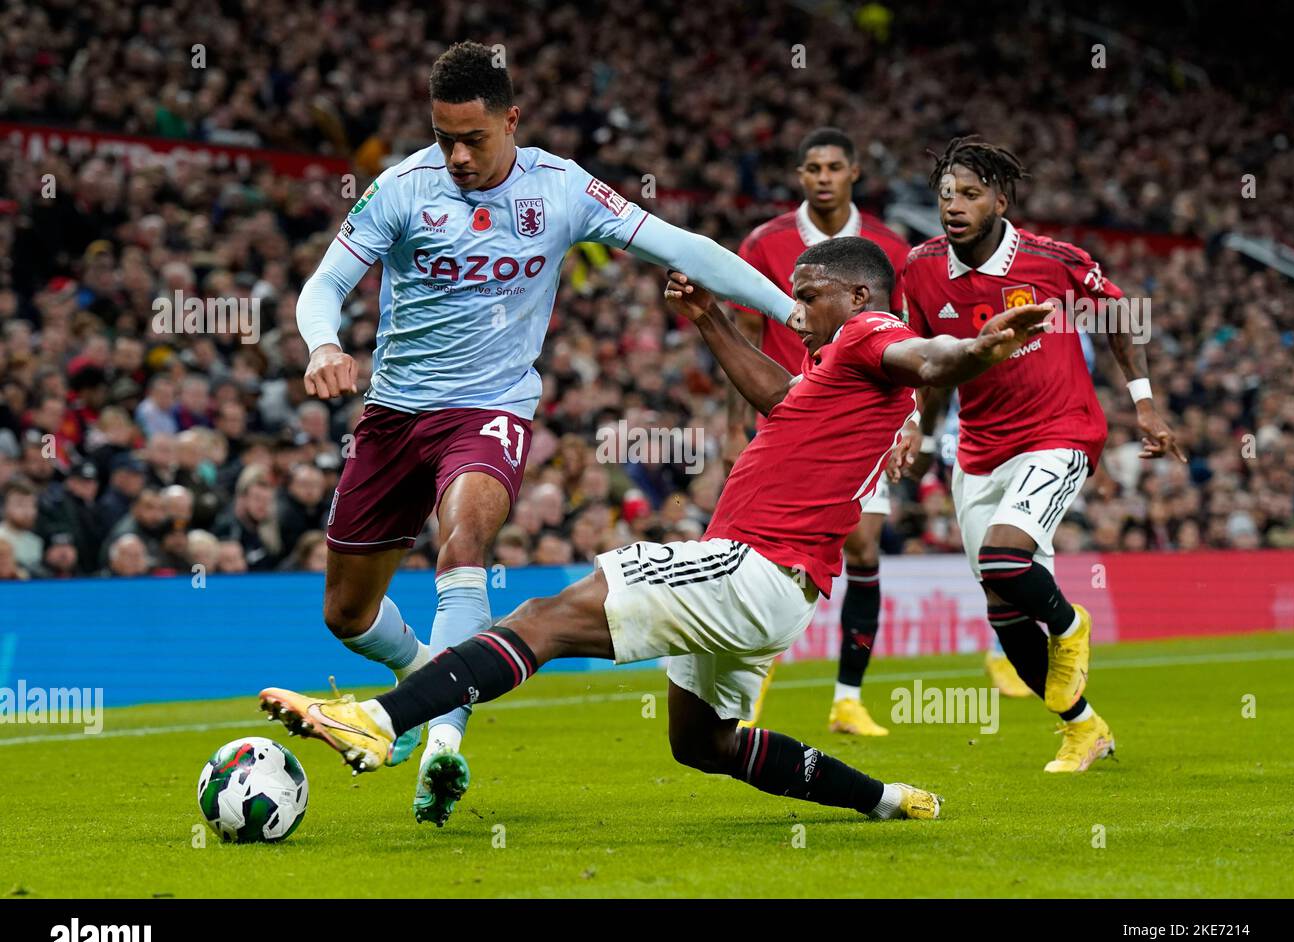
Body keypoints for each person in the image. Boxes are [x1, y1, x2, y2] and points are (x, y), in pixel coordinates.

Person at [260, 238, 1055, 823]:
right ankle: (885, 799)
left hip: (749, 565)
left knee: (543, 619)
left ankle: (375, 722)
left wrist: (977, 349)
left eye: (807, 297)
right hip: (780, 592)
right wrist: (710, 318)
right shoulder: (838, 374)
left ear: (855, 295)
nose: (797, 312)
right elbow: (780, 398)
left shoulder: (869, 331)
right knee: (703, 744)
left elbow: (929, 357)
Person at [294, 41, 808, 827]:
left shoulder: (561, 189)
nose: (458, 157)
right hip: (394, 415)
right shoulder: (402, 188)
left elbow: (682, 247)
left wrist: (789, 310)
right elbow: (325, 284)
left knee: (464, 543)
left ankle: (440, 746)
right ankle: (428, 675)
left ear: (512, 119)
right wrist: (324, 346)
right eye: (444, 139)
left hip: (490, 409)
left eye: (474, 138)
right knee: (345, 615)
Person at [892, 136, 1184, 772]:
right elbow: (928, 364)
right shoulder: (919, 268)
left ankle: (1071, 626)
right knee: (1003, 606)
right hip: (978, 449)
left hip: (1059, 430)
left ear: (1000, 200)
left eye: (970, 194)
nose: (954, 206)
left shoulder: (1052, 261)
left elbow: (1120, 316)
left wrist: (1143, 402)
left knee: (1003, 558)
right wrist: (920, 430)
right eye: (946, 194)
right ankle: (1083, 728)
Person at [730, 127, 912, 735]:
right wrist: (735, 428)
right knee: (769, 553)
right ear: (801, 176)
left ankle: (847, 699)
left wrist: (910, 419)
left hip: (861, 422)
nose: (824, 177)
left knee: (863, 549)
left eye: (835, 166)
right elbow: (748, 332)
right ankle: (751, 682)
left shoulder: (888, 246)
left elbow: (903, 339)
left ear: (854, 172)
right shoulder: (766, 242)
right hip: (787, 418)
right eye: (813, 168)